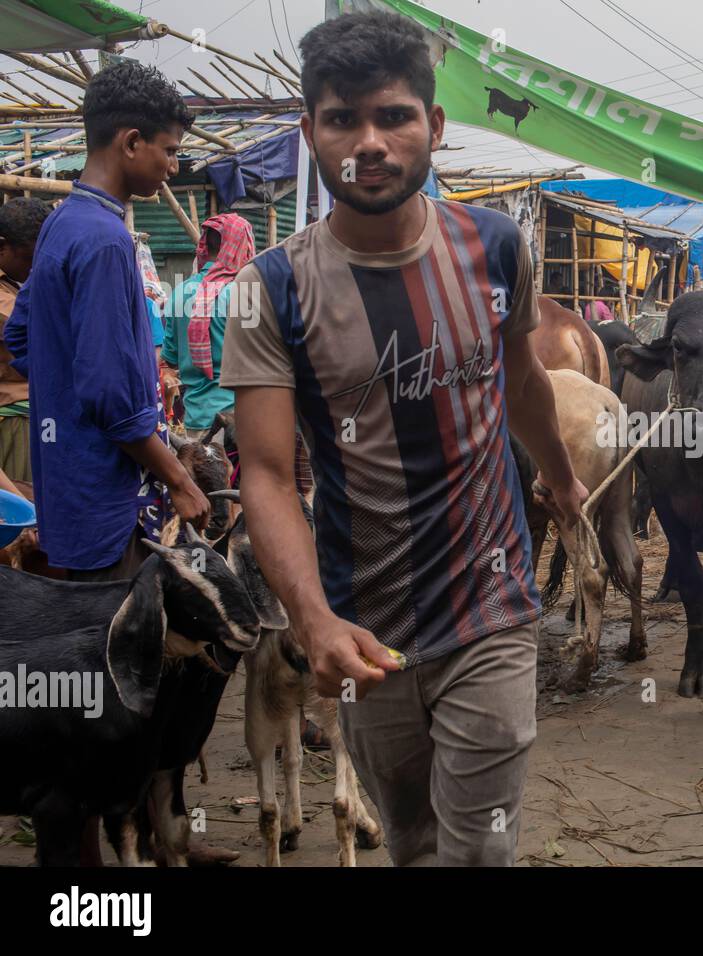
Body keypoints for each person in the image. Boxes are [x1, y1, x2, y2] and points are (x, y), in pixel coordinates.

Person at [221, 10, 586, 867]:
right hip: (363, 626)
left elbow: (523, 381)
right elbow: (268, 478)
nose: (371, 141)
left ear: (435, 127)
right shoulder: (270, 291)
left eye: (395, 116)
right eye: (344, 118)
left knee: (477, 852)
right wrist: (313, 623)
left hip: (490, 606)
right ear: (310, 130)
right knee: (413, 847)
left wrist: (561, 479)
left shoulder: (496, 249)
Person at [3, 61, 210, 584]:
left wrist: (65, 397)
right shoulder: (105, 240)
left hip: (70, 484)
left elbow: (21, 336)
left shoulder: (61, 223)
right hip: (110, 496)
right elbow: (110, 396)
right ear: (132, 142)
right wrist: (178, 478)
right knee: (114, 644)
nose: (173, 166)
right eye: (171, 149)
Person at [162, 214, 254, 432]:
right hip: (240, 423)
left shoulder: (179, 293)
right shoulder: (245, 294)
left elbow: (171, 359)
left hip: (195, 421)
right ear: (241, 247)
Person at [0, 198, 51, 491]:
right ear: (2, 246)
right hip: (14, 419)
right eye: (30, 258)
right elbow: (27, 325)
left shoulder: (15, 283)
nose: (35, 266)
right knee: (26, 508)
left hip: (31, 412)